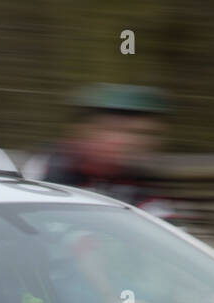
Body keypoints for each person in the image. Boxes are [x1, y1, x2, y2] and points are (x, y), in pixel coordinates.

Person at [25, 83, 171, 215]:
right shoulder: (45, 171)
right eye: (117, 130)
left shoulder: (142, 187)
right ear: (83, 131)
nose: (133, 142)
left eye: (145, 133)